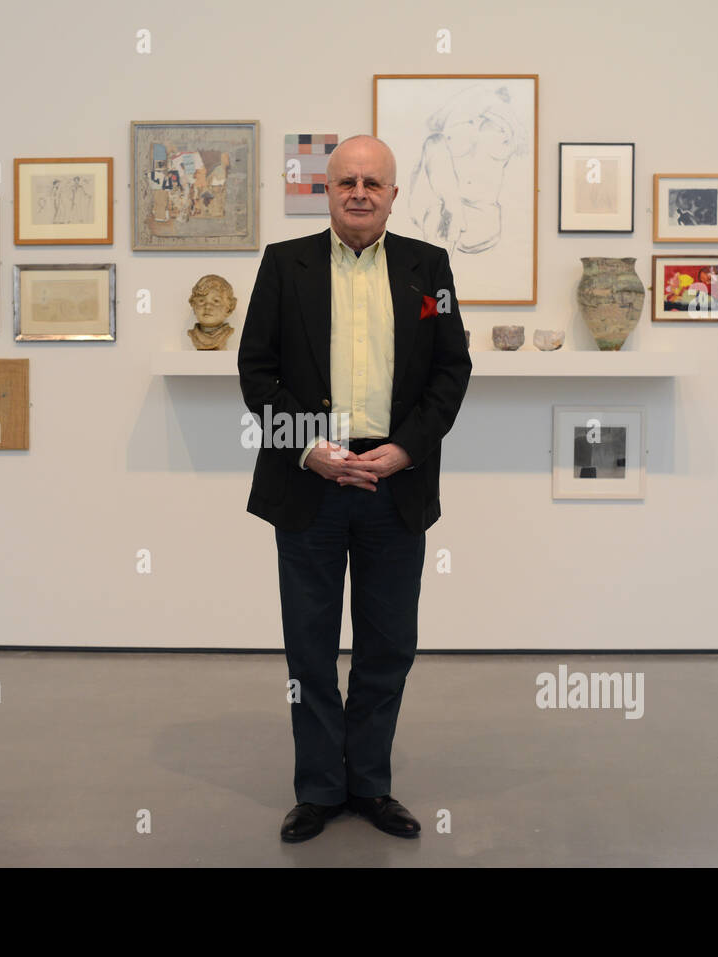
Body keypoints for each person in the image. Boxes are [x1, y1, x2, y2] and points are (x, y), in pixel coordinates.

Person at [237, 134, 472, 843]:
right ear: (328, 191)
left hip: (393, 484)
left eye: (373, 181)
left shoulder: (430, 269)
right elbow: (257, 372)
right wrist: (310, 448)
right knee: (309, 648)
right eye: (347, 182)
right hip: (310, 479)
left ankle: (370, 784)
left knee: (386, 644)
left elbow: (450, 371)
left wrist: (404, 450)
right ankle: (318, 789)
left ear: (394, 194)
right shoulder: (285, 265)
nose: (360, 192)